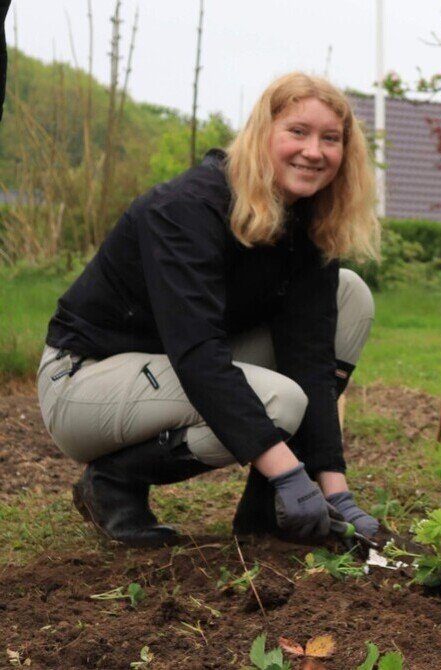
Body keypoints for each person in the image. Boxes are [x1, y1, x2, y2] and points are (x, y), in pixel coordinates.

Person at [37, 72, 382, 548]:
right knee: (280, 401)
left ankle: (268, 515)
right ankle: (114, 480)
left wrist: (334, 489)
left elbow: (311, 361)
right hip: (84, 381)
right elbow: (198, 353)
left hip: (174, 369)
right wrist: (289, 474)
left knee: (350, 297)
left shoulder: (308, 221)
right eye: (297, 132)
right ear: (263, 134)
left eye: (331, 139)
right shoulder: (186, 208)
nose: (314, 151)